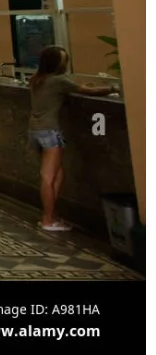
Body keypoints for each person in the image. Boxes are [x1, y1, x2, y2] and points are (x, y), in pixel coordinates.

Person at [27, 44, 114, 231]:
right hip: (50, 132)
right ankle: (48, 220)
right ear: (56, 63)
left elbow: (66, 92)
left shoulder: (37, 80)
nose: (65, 63)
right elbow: (89, 91)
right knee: (49, 177)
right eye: (63, 60)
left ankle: (50, 216)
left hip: (34, 131)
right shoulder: (58, 81)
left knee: (57, 174)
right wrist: (113, 88)